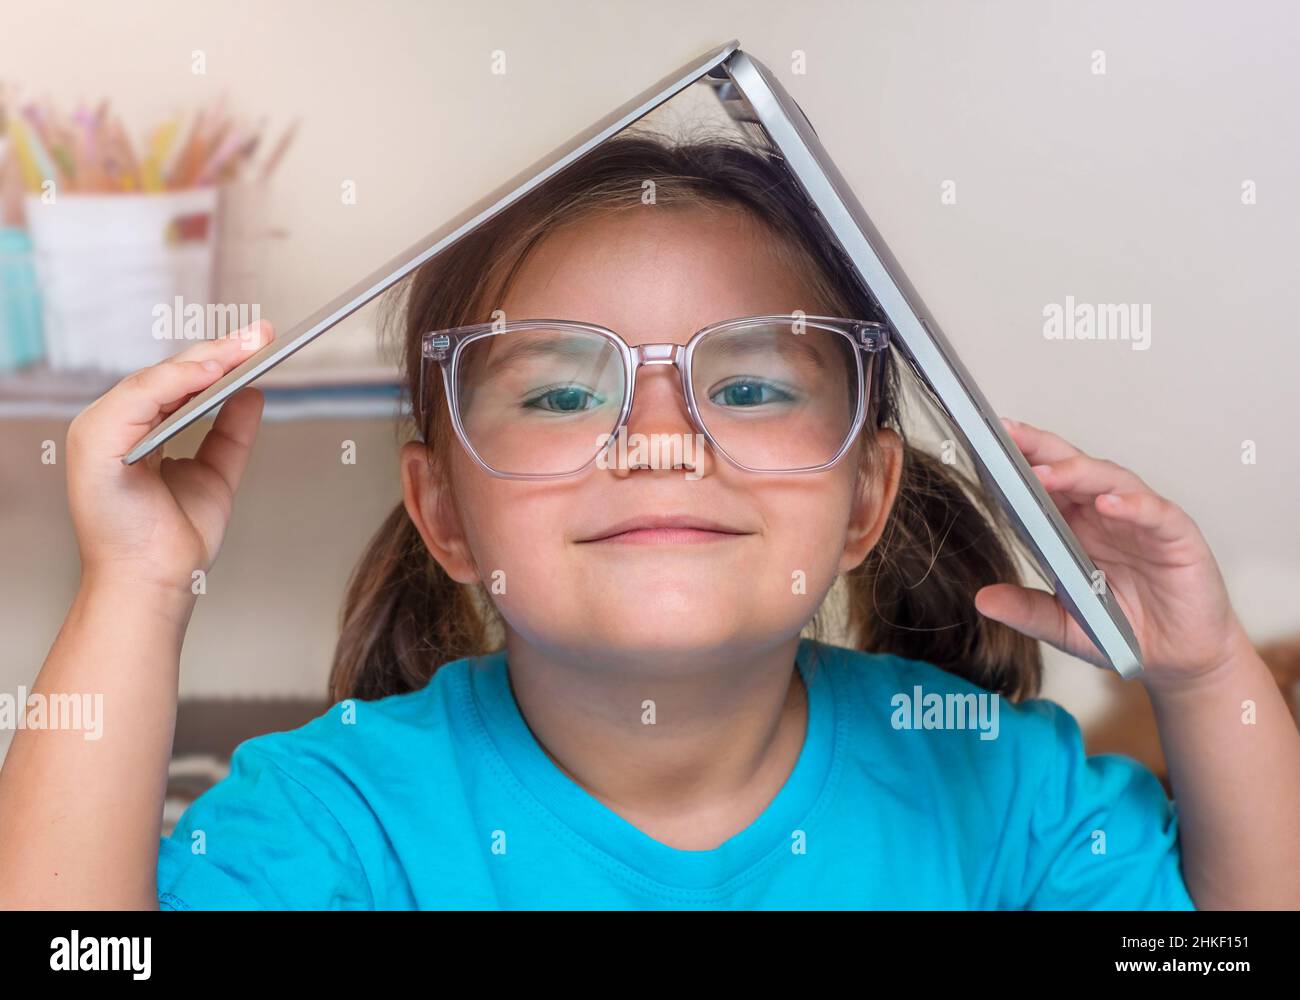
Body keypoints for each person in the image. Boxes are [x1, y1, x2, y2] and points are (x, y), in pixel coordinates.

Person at [3, 130, 1297, 909]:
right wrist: (137, 580)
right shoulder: (338, 816)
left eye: (749, 384)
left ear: (865, 498)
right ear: (445, 514)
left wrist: (1203, 671)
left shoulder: (997, 787)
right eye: (564, 391)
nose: (664, 435)